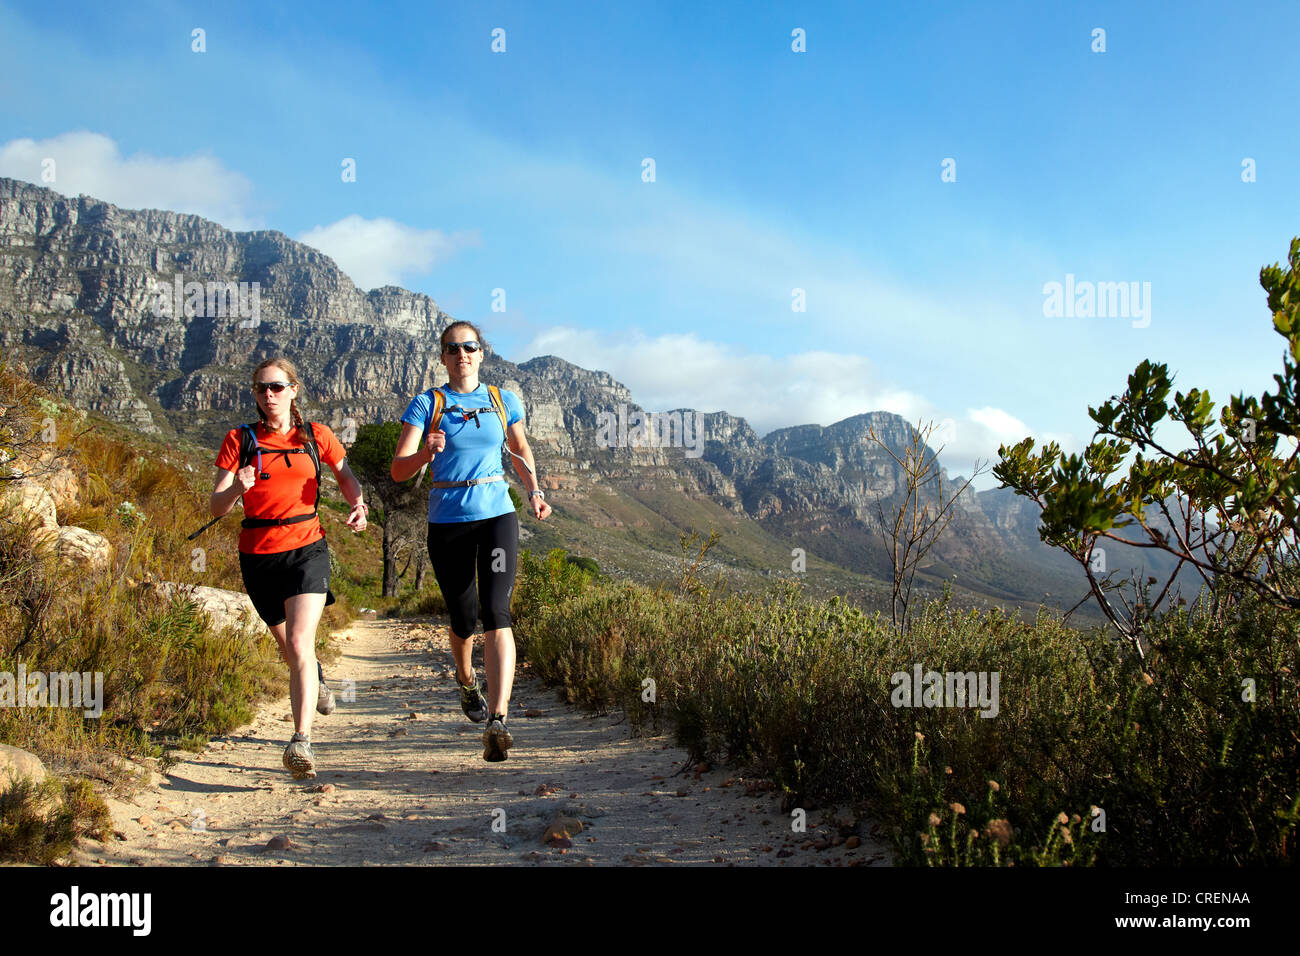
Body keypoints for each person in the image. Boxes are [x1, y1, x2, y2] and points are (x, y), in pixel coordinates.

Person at [390, 321, 551, 761]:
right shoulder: (428, 403)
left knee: (497, 611)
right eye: (452, 348)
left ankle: (499, 719)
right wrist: (426, 452)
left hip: (497, 515)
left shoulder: (502, 400)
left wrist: (534, 491)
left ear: (482, 353)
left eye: (469, 346)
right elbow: (399, 470)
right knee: (463, 619)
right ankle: (465, 681)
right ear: (442, 357)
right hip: (448, 522)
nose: (462, 354)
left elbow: (519, 451)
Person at [209, 357, 368, 779]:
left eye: (277, 387)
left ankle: (301, 742)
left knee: (299, 642)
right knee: (290, 649)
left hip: (307, 548)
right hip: (257, 553)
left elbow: (346, 474)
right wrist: (236, 489)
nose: (268, 396)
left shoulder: (317, 437)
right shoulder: (239, 439)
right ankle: (315, 678)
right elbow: (216, 504)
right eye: (261, 389)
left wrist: (358, 504)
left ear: (293, 390)